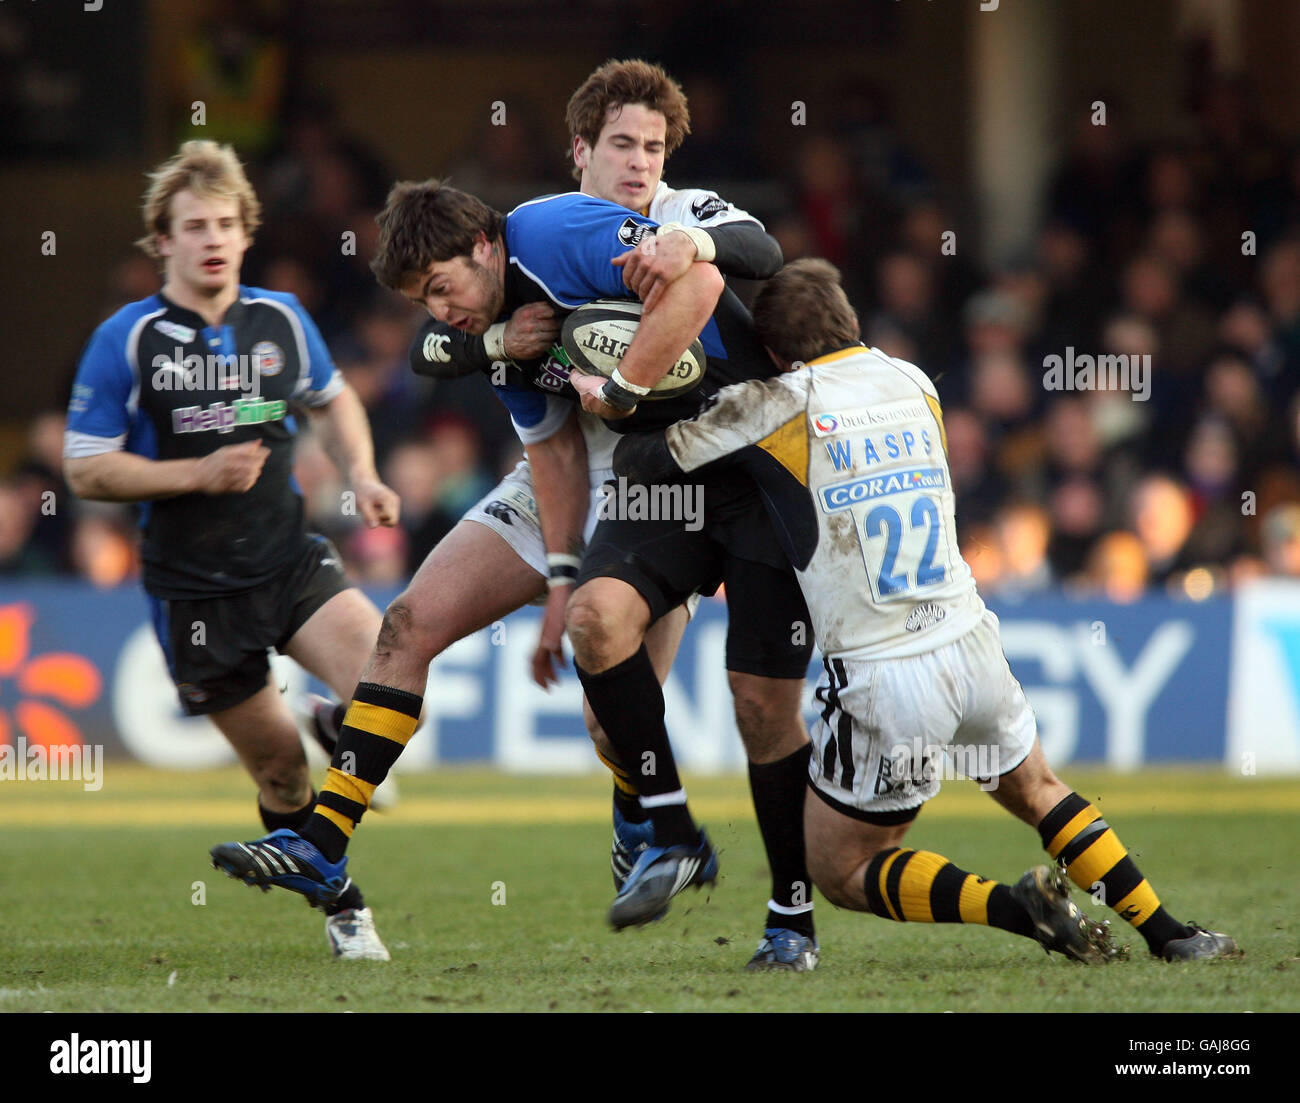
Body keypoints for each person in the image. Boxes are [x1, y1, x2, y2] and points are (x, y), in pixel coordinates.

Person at [212, 162, 821, 967]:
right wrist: (560, 576)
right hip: (583, 475)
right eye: (425, 300)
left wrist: (624, 385)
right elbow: (550, 449)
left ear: (482, 244)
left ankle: (655, 826)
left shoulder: (561, 230)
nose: (441, 310)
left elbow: (717, 273)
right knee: (407, 624)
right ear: (581, 150)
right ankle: (323, 841)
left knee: (618, 712)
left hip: (679, 468)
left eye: (440, 287)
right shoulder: (491, 321)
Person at [612, 258, 1238, 963]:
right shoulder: (912, 380)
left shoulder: (776, 403)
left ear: (777, 353)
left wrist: (616, 388)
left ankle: (1015, 908)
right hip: (969, 639)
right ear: (849, 319)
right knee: (1038, 789)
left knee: (841, 867)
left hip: (886, 674)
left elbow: (645, 461)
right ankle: (1171, 933)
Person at [64, 140, 400, 961]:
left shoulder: (279, 318)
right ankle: (344, 905)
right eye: (194, 226)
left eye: (225, 224)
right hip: (195, 590)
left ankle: (336, 721)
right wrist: (196, 472)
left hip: (289, 559)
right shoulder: (128, 339)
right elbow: (85, 466)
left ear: (246, 234)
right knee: (281, 773)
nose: (211, 238)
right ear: (163, 242)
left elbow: (334, 399)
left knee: (392, 680)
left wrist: (362, 471)